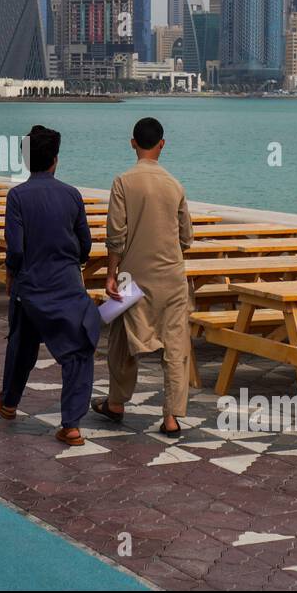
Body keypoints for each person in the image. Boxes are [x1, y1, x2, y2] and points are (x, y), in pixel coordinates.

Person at [0, 125, 101, 446]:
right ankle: (72, 425)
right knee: (78, 349)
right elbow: (85, 245)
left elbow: (16, 248)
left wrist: (11, 274)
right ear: (55, 160)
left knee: (21, 344)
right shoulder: (72, 195)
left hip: (30, 287)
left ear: (26, 159)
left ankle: (9, 401)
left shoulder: (17, 196)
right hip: (66, 286)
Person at [95, 117, 193, 437]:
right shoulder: (175, 184)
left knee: (122, 340)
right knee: (175, 346)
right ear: (162, 144)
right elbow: (186, 237)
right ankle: (172, 417)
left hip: (131, 275)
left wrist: (111, 274)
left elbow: (116, 235)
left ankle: (117, 402)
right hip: (171, 276)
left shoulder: (123, 182)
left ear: (132, 142)